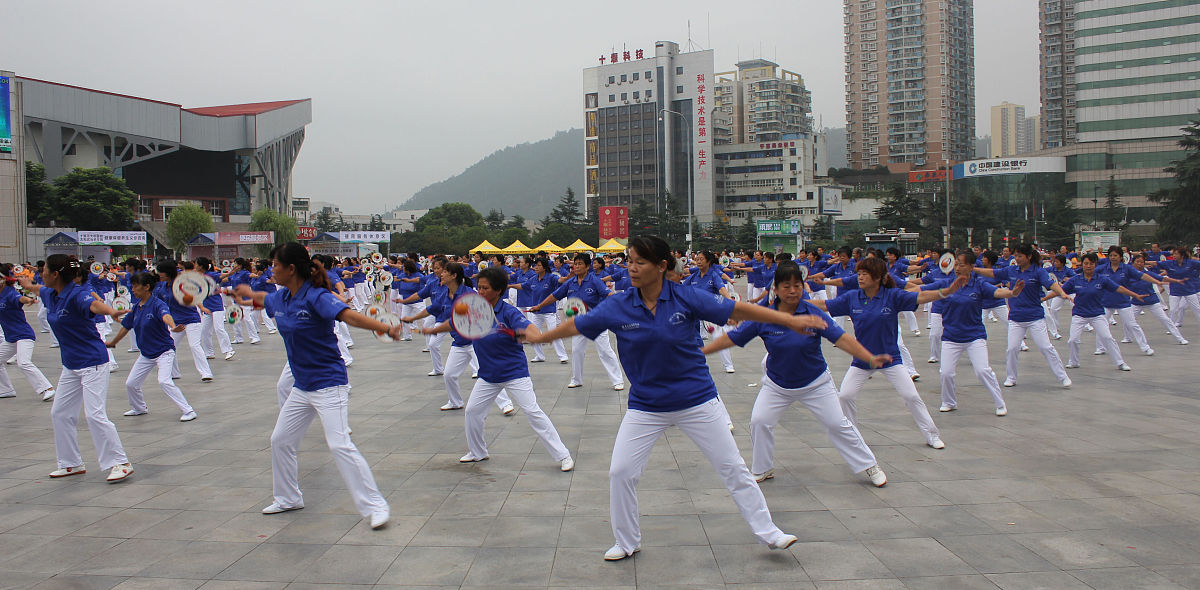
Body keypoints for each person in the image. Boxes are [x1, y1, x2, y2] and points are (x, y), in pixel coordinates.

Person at [526, 235, 824, 561]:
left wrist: (789, 318)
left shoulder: (686, 297)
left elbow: (739, 308)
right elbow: (578, 326)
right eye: (629, 260)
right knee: (621, 472)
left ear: (661, 265)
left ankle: (770, 533)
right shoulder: (619, 304)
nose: (632, 267)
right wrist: (540, 337)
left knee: (733, 469)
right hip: (646, 406)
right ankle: (626, 541)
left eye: (640, 261)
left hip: (696, 400)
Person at [235, 243, 402, 530]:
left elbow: (348, 314)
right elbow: (263, 298)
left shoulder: (317, 297)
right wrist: (247, 294)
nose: (270, 269)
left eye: (275, 264)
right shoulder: (283, 297)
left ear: (291, 269)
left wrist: (384, 326)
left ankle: (376, 505)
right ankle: (288, 498)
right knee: (280, 440)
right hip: (302, 386)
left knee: (339, 444)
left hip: (328, 383)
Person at [702, 261, 893, 485]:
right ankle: (762, 468)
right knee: (760, 421)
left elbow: (841, 339)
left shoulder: (812, 312)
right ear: (776, 289)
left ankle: (869, 466)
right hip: (778, 385)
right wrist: (703, 351)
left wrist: (869, 357)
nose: (792, 291)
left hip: (816, 383)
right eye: (786, 286)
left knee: (836, 423)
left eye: (797, 285)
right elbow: (731, 338)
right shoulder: (764, 315)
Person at [811, 257, 964, 446]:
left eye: (865, 274)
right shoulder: (852, 298)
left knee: (911, 396)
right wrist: (796, 304)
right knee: (845, 395)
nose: (860, 277)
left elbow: (921, 297)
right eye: (859, 274)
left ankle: (932, 435)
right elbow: (826, 305)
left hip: (890, 358)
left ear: (879, 277)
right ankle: (853, 438)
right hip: (863, 359)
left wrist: (945, 292)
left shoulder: (892, 296)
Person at [19, 255, 133, 482]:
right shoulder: (51, 294)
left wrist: (111, 312)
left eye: (44, 271)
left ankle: (120, 462)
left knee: (94, 414)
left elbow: (93, 304)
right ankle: (70, 463)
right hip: (71, 365)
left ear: (55, 274)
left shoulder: (77, 294)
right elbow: (36, 287)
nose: (41, 273)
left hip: (92, 362)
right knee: (60, 413)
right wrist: (25, 284)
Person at [449, 267, 573, 469]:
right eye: (478, 287)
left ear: (498, 290)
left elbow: (529, 329)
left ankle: (563, 455)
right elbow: (456, 322)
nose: (479, 292)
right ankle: (478, 452)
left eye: (485, 288)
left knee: (532, 411)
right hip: (488, 375)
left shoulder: (508, 312)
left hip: (514, 373)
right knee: (472, 411)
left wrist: (538, 337)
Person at [405, 262, 514, 414]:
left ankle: (506, 404)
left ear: (454, 276)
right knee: (449, 374)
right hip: (459, 342)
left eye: (445, 272)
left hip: (475, 342)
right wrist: (411, 319)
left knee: (488, 372)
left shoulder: (468, 294)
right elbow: (431, 309)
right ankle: (455, 401)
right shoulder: (445, 295)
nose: (441, 274)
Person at [924, 251, 1024, 416]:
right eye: (956, 264)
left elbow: (997, 292)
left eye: (961, 265)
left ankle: (1000, 403)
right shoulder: (947, 283)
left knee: (982, 370)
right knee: (946, 372)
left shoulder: (979, 284)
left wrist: (1012, 293)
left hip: (974, 336)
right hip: (951, 337)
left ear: (971, 267)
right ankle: (948, 402)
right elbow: (921, 289)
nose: (957, 268)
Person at [971, 245, 1072, 389]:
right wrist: (973, 269)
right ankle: (1011, 377)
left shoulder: (1038, 271)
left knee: (1045, 347)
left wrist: (1062, 293)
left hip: (1035, 317)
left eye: (1020, 256)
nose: (1016, 259)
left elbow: (1051, 284)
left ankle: (1063, 377)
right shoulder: (1011, 270)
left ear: (1029, 256)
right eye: (1015, 256)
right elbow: (993, 273)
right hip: (1016, 318)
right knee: (1012, 348)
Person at [105, 272, 197, 422]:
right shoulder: (136, 308)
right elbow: (125, 326)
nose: (133, 289)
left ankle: (188, 410)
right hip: (146, 354)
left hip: (164, 352)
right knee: (131, 384)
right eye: (132, 286)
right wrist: (113, 342)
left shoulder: (157, 304)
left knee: (164, 381)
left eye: (136, 286)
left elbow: (166, 316)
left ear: (147, 287)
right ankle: (139, 408)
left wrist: (173, 326)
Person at [530, 252, 624, 391]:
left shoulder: (595, 280)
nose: (576, 266)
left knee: (605, 351)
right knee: (577, 350)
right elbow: (554, 296)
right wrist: (539, 306)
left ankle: (617, 381)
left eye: (580, 264)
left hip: (597, 321)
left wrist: (616, 308)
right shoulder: (570, 283)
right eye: (575, 264)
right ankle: (576, 379)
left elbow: (609, 295)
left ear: (587, 267)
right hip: (578, 322)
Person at [1060, 253, 1146, 372]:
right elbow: (1059, 290)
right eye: (1086, 263)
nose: (1088, 266)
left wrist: (1135, 295)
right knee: (1073, 340)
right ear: (1082, 265)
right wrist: (1043, 299)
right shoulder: (1075, 279)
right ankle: (1073, 362)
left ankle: (1120, 363)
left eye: (1091, 263)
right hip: (1079, 315)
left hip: (1097, 314)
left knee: (1107, 337)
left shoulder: (1102, 279)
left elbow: (1119, 288)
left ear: (1095, 265)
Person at [1097, 245, 1172, 356]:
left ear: (1121, 257)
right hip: (1106, 302)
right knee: (1101, 326)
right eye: (1111, 255)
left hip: (1123, 302)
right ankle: (1100, 348)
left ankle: (1145, 347)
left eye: (1115, 255)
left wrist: (1157, 282)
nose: (1113, 257)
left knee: (1132, 325)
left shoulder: (1127, 268)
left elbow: (1142, 276)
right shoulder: (1102, 269)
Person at [0, 268, 55, 401]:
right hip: (10, 338)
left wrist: (29, 300)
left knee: (23, 362)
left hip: (23, 335)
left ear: (2, 281)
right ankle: (6, 390)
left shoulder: (10, 294)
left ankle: (47, 388)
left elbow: (21, 298)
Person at [154, 262, 214, 382]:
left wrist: (201, 307)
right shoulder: (162, 287)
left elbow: (194, 296)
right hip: (176, 323)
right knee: (169, 347)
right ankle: (174, 373)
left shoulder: (181, 284)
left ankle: (206, 373)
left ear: (167, 273)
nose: (158, 274)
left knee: (194, 345)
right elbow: (157, 302)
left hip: (191, 319)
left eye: (160, 272)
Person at [1128, 253, 1188, 345]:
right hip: (1136, 302)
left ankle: (1180, 338)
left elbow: (1162, 278)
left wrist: (1175, 281)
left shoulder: (1148, 274)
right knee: (1128, 320)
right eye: (1137, 262)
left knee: (1165, 319)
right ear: (1133, 263)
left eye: (1141, 262)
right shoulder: (1128, 274)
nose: (1139, 264)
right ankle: (1127, 337)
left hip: (1152, 301)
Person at [519, 258, 569, 363]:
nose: (536, 267)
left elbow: (561, 280)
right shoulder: (533, 279)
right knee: (533, 334)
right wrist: (508, 286)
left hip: (549, 311)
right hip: (536, 312)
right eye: (535, 265)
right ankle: (540, 356)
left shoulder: (551, 277)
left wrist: (569, 277)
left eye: (538, 265)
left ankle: (562, 356)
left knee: (553, 333)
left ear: (544, 267)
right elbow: (522, 286)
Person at [195, 257, 236, 361]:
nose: (195, 265)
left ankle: (229, 350)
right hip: (207, 307)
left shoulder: (211, 275)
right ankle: (209, 352)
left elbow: (222, 275)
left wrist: (232, 271)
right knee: (205, 330)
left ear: (201, 266)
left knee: (219, 328)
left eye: (196, 263)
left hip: (217, 305)